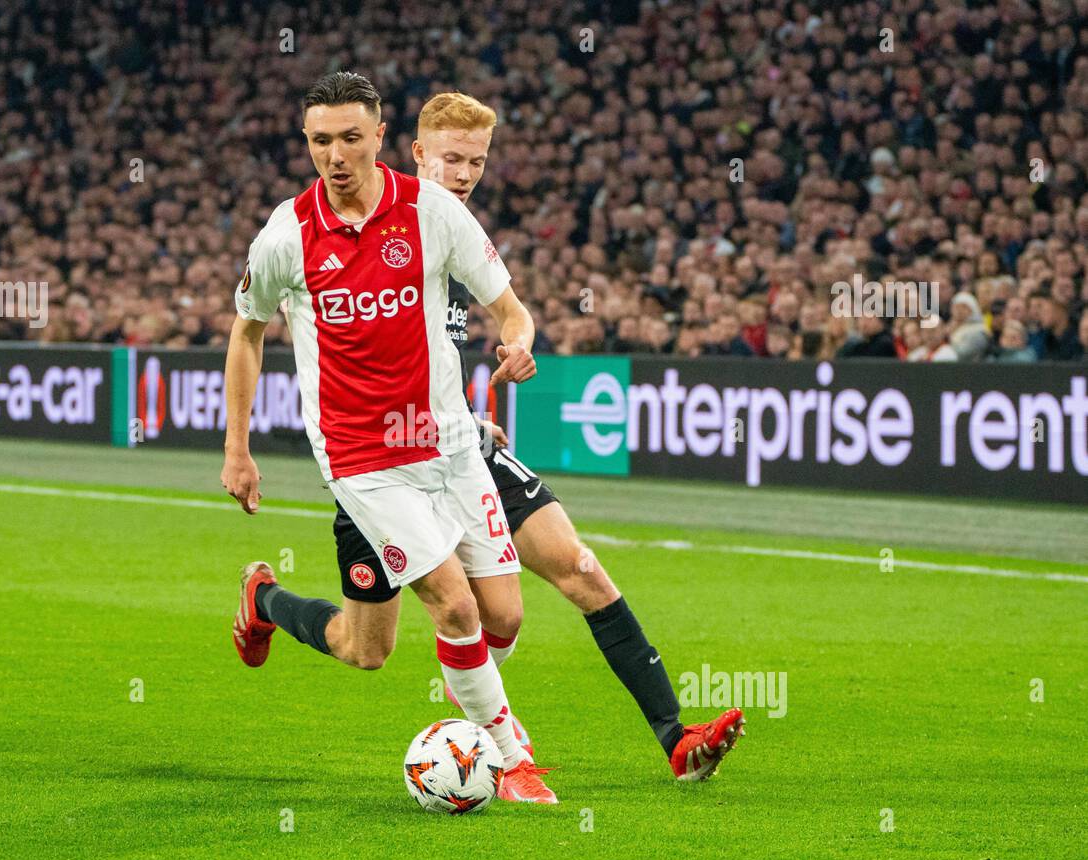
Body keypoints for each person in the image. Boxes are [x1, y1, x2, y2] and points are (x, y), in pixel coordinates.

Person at [338, 90, 744, 782]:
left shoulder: (460, 234)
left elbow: (511, 314)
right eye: (452, 159)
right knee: (363, 646)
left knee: (578, 569)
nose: (465, 174)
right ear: (414, 154)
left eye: (477, 162)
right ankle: (265, 603)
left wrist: (518, 347)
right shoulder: (371, 231)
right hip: (384, 461)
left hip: (464, 449)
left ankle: (677, 741)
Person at [223, 72, 555, 803]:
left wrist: (519, 342)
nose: (335, 156)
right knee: (457, 606)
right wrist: (237, 447)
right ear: (306, 143)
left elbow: (510, 308)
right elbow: (246, 335)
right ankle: (509, 758)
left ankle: (265, 600)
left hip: (450, 447)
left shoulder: (432, 213)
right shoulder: (287, 234)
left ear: (380, 137)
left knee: (463, 623)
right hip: (364, 460)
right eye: (319, 141)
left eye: (349, 138)